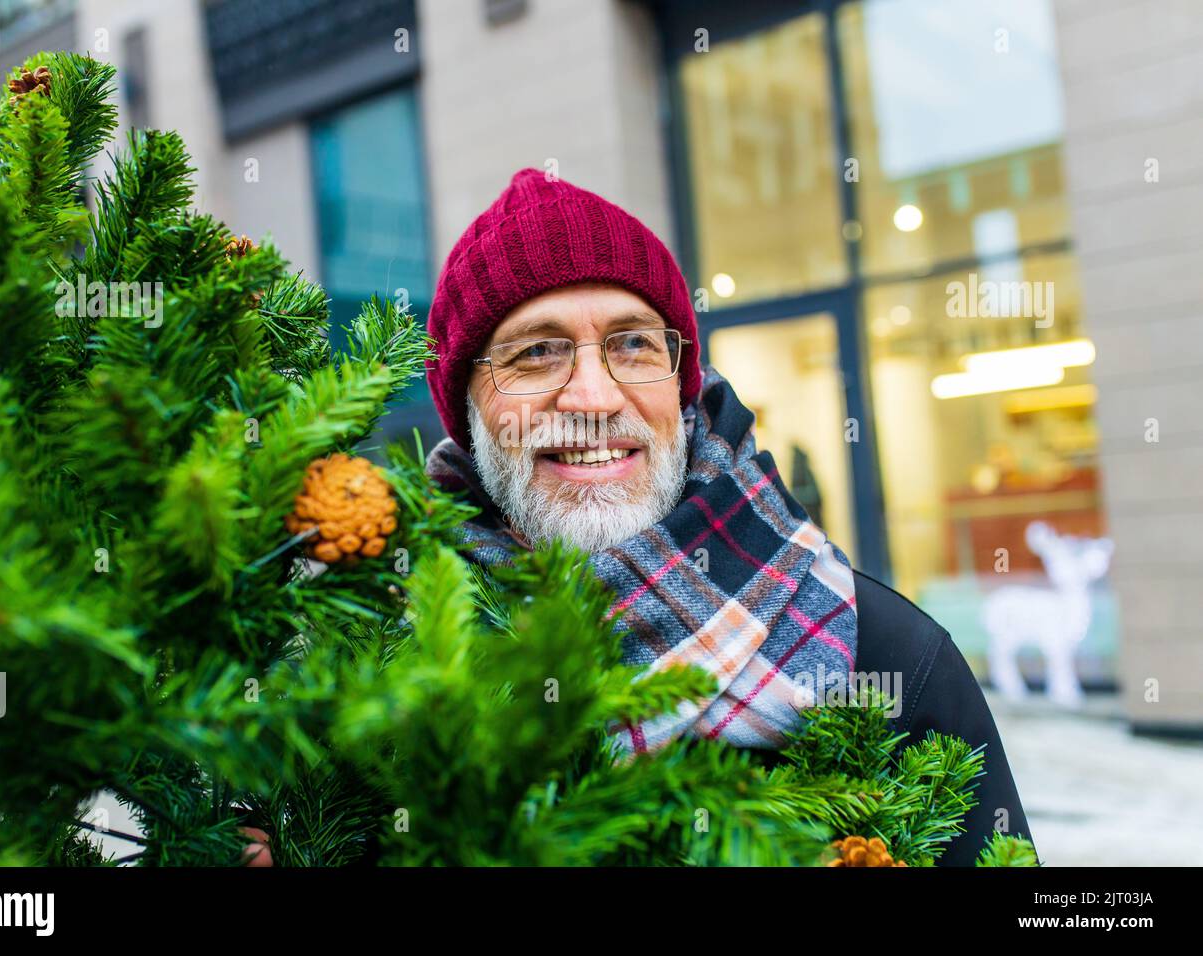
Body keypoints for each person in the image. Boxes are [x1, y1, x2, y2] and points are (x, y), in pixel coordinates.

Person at [243, 167, 1036, 867]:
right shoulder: (361, 670)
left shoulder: (888, 653)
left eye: (632, 345)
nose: (592, 397)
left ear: (682, 383)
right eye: (536, 353)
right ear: (467, 410)